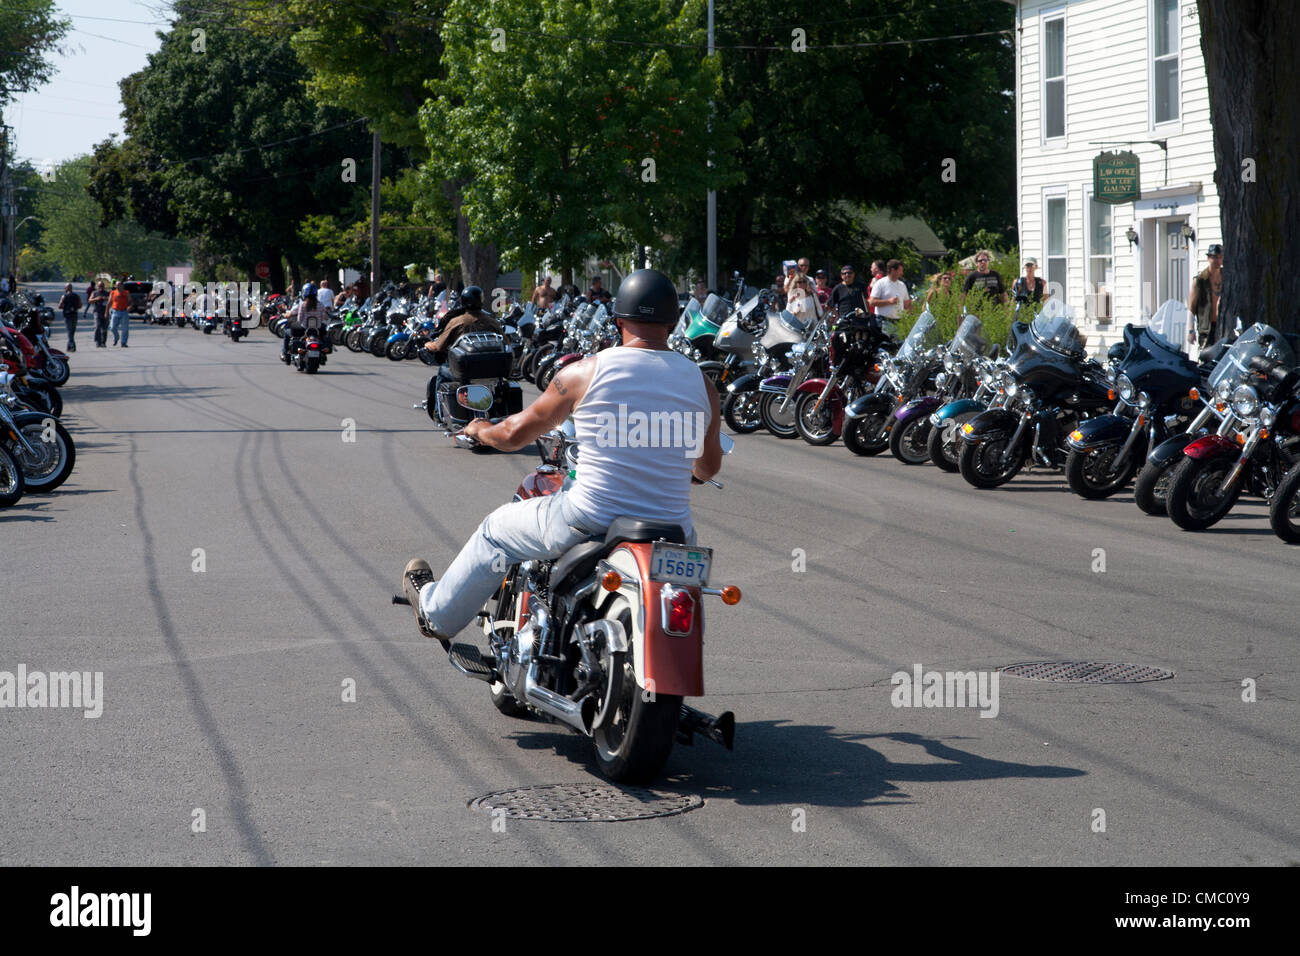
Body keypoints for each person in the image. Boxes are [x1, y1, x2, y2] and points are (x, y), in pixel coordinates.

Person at [399, 268, 723, 647]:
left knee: (495, 530)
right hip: (674, 529)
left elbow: (514, 433)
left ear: (618, 321)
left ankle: (435, 612)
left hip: (590, 518)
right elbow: (708, 467)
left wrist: (479, 430)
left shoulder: (585, 373)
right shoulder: (702, 384)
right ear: (672, 323)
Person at [281, 282, 329, 362]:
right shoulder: (320, 305)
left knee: (287, 332)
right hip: (317, 329)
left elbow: (299, 319)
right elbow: (324, 317)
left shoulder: (303, 305)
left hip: (303, 329)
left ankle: (285, 354)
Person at [1189, 244, 1224, 350]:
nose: (1217, 260)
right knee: (1206, 358)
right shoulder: (1200, 280)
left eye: (1220, 257)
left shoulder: (1228, 277)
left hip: (1225, 326)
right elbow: (1191, 308)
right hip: (1207, 328)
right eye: (1214, 257)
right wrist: (1190, 330)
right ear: (1209, 258)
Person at [57, 283, 82, 352]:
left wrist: (65, 307)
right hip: (74, 314)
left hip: (67, 315)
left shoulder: (64, 296)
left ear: (66, 288)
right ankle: (70, 346)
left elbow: (59, 306)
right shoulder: (76, 296)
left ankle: (71, 345)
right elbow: (80, 305)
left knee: (69, 331)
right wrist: (74, 307)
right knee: (72, 331)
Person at [108, 280, 132, 346]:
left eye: (120, 285)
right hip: (115, 311)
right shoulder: (113, 292)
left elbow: (130, 302)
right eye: (117, 285)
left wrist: (130, 306)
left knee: (125, 328)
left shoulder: (126, 292)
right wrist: (106, 312)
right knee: (112, 327)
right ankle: (116, 337)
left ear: (122, 286)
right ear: (115, 286)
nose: (118, 286)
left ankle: (123, 342)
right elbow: (109, 303)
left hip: (124, 311)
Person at [89, 281, 110, 347]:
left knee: (104, 328)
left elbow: (111, 301)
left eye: (102, 286)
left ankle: (103, 342)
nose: (101, 287)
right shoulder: (94, 293)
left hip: (105, 312)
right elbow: (89, 300)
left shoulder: (107, 293)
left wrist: (106, 298)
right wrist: (97, 298)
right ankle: (98, 341)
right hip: (97, 312)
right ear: (97, 286)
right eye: (99, 286)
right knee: (97, 327)